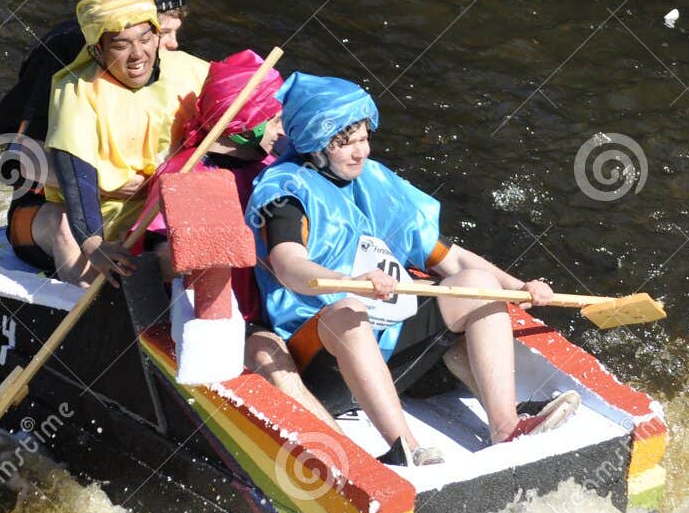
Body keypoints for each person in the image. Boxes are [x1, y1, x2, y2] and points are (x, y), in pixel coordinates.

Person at [245, 74, 579, 466]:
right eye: (344, 143)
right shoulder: (285, 192)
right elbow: (289, 265)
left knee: (479, 285)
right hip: (323, 356)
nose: (360, 152)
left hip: (389, 339)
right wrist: (352, 285)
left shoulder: (376, 180)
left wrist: (519, 286)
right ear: (315, 145)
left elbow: (450, 259)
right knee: (349, 311)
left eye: (363, 138)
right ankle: (407, 448)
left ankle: (506, 427)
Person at [140, 50, 337, 426]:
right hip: (227, 316)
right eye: (275, 120)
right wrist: (221, 247)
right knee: (275, 362)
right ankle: (339, 455)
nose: (283, 131)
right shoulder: (185, 173)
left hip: (281, 301)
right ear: (246, 123)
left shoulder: (272, 167)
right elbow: (163, 260)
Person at [6, 0, 207, 285]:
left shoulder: (187, 70)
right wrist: (98, 207)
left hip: (140, 217)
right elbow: (17, 163)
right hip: (59, 209)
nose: (171, 44)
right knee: (64, 225)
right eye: (122, 43)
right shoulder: (71, 78)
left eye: (150, 37)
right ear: (98, 49)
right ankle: (84, 303)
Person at [0, 0, 188, 145]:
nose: (174, 44)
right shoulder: (65, 49)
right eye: (166, 32)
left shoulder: (152, 57)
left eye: (175, 31)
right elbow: (26, 144)